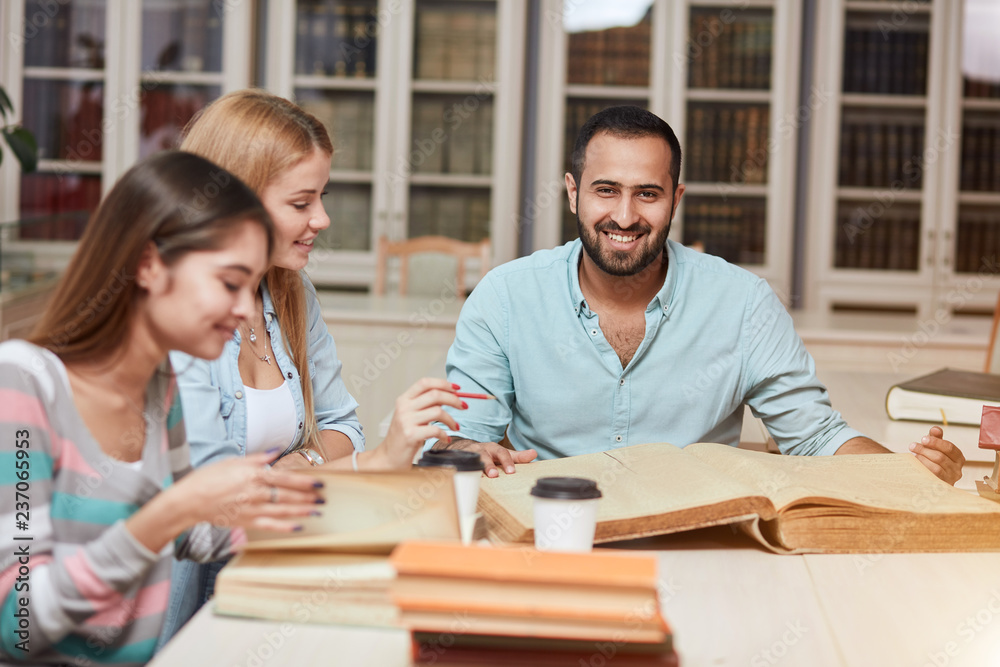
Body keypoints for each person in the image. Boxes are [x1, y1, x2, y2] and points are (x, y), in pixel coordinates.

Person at [433, 105, 965, 485]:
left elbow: (814, 437)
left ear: (676, 199)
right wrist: (460, 446)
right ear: (573, 191)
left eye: (648, 193)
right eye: (606, 190)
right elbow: (465, 438)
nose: (624, 216)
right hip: (555, 532)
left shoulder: (744, 303)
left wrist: (908, 472)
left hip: (703, 546)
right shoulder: (505, 298)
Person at [160, 89, 463, 643]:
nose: (321, 218)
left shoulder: (292, 294)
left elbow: (342, 424)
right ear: (235, 203)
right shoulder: (179, 319)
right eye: (301, 203)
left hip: (268, 575)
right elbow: (214, 507)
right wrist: (359, 465)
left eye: (321, 196)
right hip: (182, 616)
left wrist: (305, 466)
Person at [0, 151, 323, 667]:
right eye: (229, 282)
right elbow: (17, 625)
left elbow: (196, 534)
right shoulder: (21, 382)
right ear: (149, 264)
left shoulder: (159, 387)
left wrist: (335, 509)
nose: (245, 309)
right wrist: (165, 514)